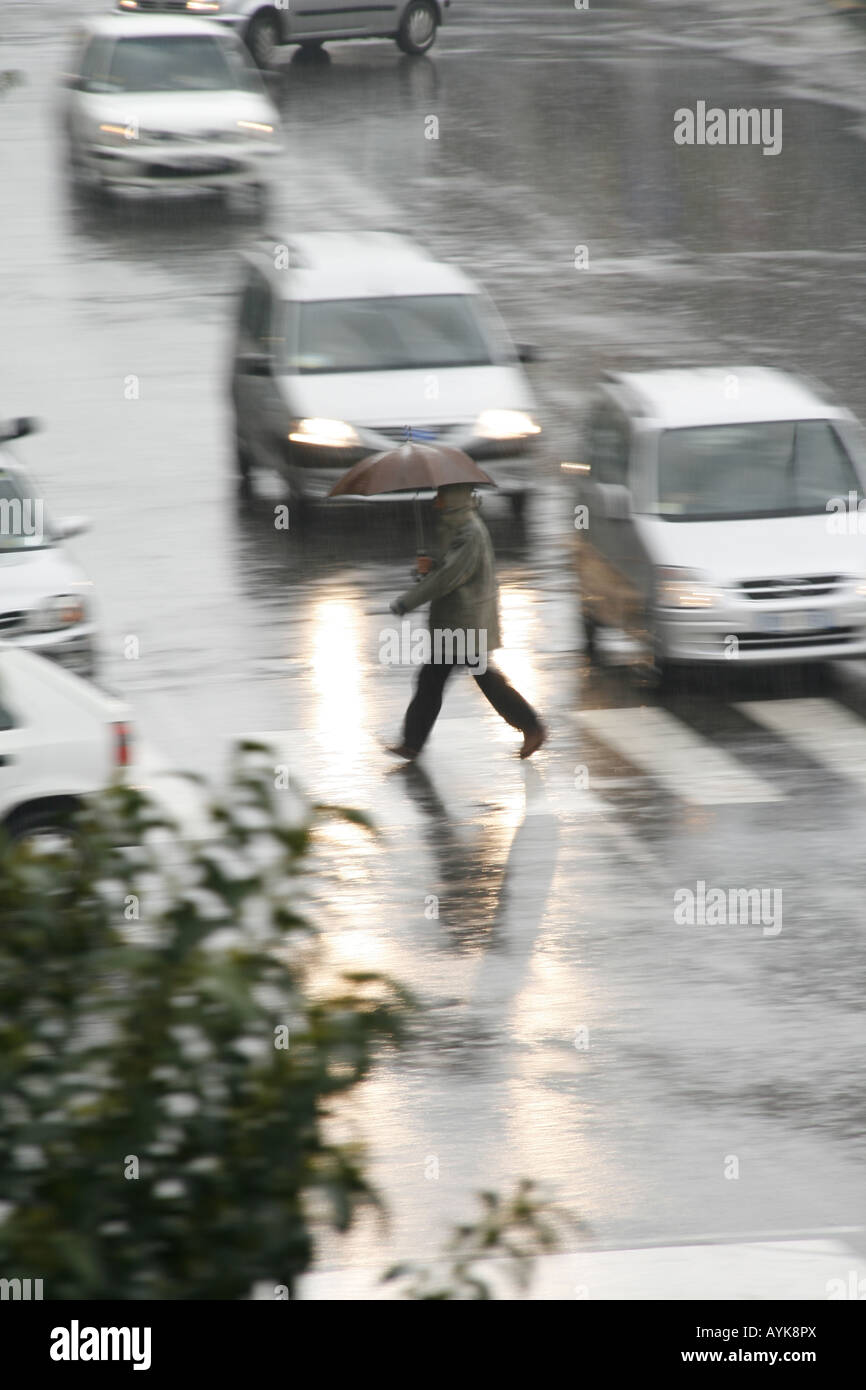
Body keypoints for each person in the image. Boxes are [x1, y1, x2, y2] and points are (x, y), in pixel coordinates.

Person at [386, 483, 547, 761]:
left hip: (464, 622)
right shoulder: (457, 528)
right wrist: (426, 568)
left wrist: (408, 601)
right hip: (457, 620)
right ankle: (412, 743)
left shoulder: (469, 532)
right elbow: (447, 570)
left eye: (441, 495)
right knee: (442, 679)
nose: (436, 500)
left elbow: (448, 577)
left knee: (461, 678)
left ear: (454, 498)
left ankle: (532, 726)